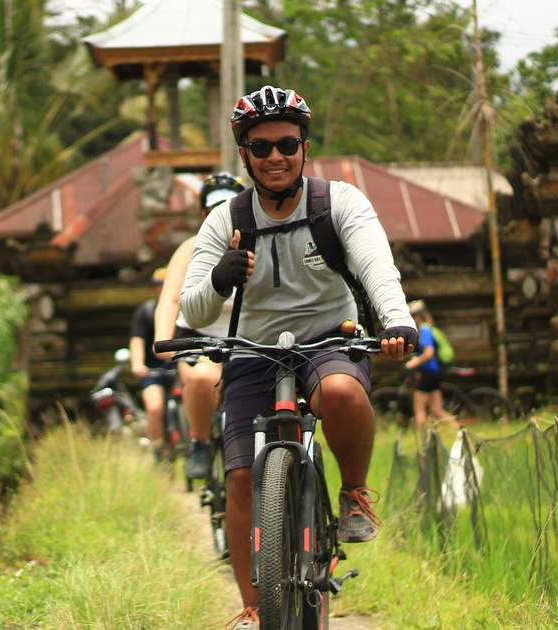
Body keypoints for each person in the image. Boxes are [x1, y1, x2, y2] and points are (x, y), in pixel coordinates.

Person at [179, 85, 418, 627]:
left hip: (330, 337)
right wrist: (219, 279)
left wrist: (398, 321)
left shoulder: (340, 203)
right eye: (260, 148)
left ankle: (354, 493)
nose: (275, 158)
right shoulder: (225, 220)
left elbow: (378, 268)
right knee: (240, 478)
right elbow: (192, 309)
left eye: (287, 144)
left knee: (338, 391)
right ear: (245, 156)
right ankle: (252, 608)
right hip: (253, 351)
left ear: (305, 147)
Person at [155, 172, 246, 480]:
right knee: (202, 379)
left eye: (228, 207)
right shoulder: (190, 248)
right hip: (199, 336)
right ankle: (200, 441)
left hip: (248, 335)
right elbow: (170, 300)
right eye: (213, 210)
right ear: (204, 213)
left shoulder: (260, 240)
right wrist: (162, 340)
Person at [130, 268, 170, 455]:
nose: (161, 289)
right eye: (158, 285)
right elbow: (137, 340)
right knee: (154, 407)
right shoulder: (145, 312)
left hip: (180, 365)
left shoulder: (186, 309)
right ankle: (158, 451)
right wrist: (137, 364)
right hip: (154, 369)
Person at [403, 300, 457, 435]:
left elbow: (429, 352)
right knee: (436, 410)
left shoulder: (425, 329)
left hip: (428, 372)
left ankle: (422, 443)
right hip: (435, 372)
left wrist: (413, 363)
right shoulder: (429, 328)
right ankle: (460, 430)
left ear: (417, 317)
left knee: (419, 409)